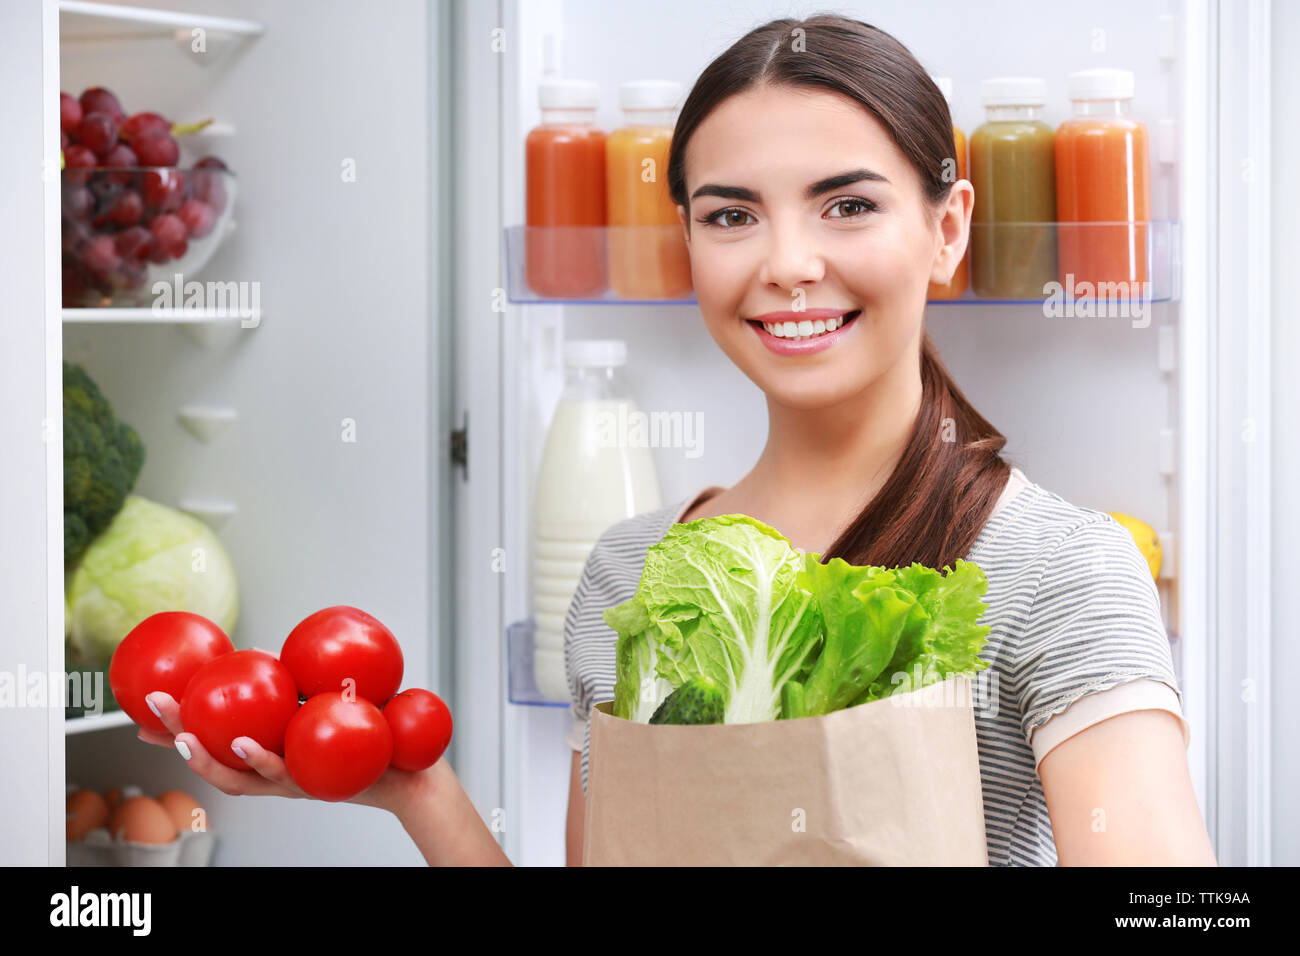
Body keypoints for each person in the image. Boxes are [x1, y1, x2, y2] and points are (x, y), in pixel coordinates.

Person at [139, 12, 1216, 868]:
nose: (786, 261)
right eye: (731, 214)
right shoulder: (628, 575)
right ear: (688, 243)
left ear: (947, 229)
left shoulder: (1058, 568)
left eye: (845, 205)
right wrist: (413, 787)